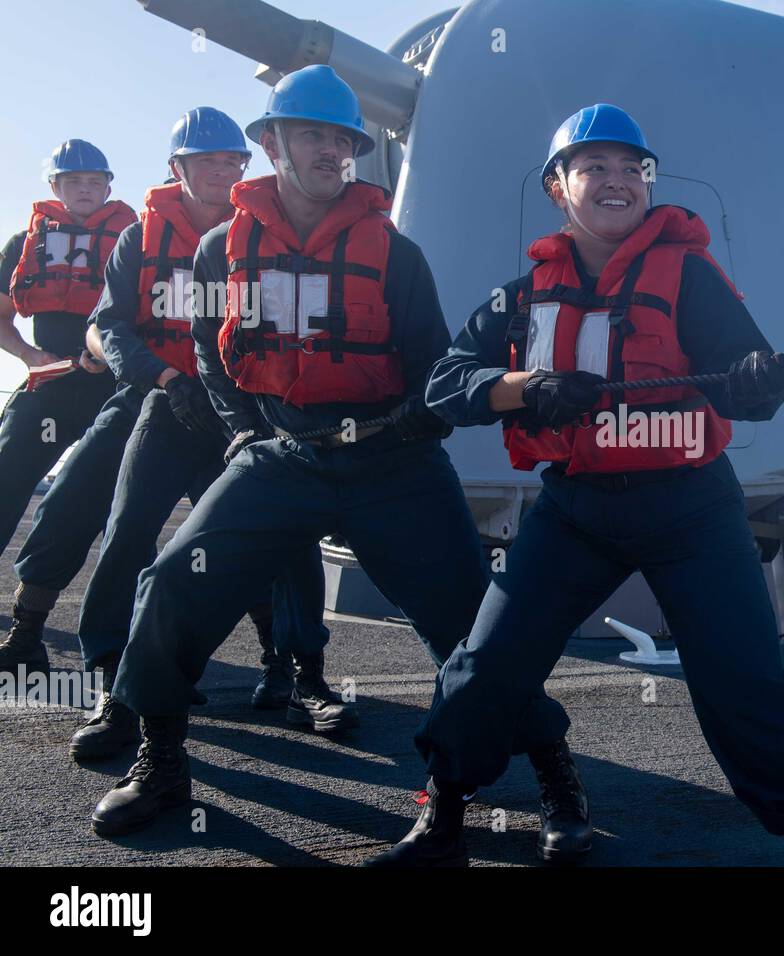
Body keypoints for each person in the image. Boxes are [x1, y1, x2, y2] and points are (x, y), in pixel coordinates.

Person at [90, 67, 581, 843]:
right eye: (312, 134)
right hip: (283, 454)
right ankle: (162, 761)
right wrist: (243, 432)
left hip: (391, 461)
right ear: (273, 143)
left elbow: (433, 366)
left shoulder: (394, 253)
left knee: (472, 624)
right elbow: (211, 352)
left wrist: (411, 431)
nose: (331, 150)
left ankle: (556, 776)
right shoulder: (221, 252)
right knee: (175, 582)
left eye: (342, 140)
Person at [375, 104, 784, 867]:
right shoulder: (521, 296)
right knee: (487, 664)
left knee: (744, 680)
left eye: (633, 168)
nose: (617, 179)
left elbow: (746, 381)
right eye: (594, 166)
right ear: (558, 187)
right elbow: (445, 384)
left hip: (691, 506)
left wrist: (756, 380)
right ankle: (443, 823)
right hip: (578, 508)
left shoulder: (691, 277)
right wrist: (526, 387)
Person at [43, 108, 337, 761]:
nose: (223, 171)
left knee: (288, 537)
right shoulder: (138, 240)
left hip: (250, 408)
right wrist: (166, 380)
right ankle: (116, 681)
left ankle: (297, 674)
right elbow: (111, 327)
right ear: (177, 168)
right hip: (170, 402)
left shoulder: (266, 232)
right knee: (128, 530)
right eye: (208, 161)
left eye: (233, 161)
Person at [0, 141, 135, 671]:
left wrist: (113, 357)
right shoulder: (24, 243)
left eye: (95, 180)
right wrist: (31, 357)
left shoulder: (133, 238)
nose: (85, 188)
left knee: (120, 507)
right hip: (51, 384)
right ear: (54, 187)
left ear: (109, 186)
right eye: (73, 180)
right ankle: (26, 632)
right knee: (6, 476)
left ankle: (125, 642)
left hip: (115, 389)